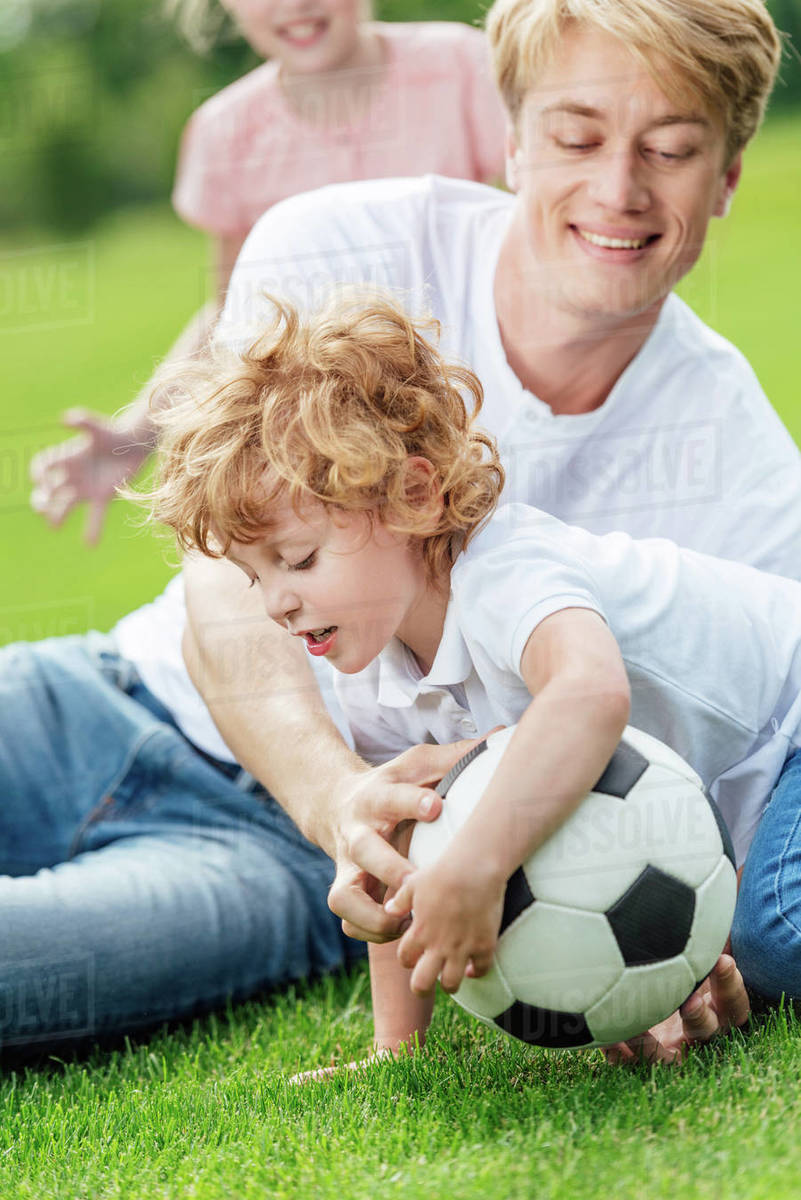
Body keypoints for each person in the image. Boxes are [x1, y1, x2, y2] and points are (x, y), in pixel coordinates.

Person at [8, 0, 789, 1058]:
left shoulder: (726, 458)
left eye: (674, 150)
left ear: (729, 175)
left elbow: (697, 766)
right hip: (121, 694)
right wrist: (342, 801)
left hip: (263, 855)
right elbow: (227, 576)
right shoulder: (340, 243)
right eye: (575, 137)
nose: (618, 189)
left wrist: (663, 945)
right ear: (509, 137)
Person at [145, 288, 801, 1074]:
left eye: (299, 560)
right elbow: (405, 842)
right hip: (755, 794)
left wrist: (478, 865)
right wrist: (400, 1050)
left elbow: (588, 697)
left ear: (413, 496)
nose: (278, 603)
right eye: (254, 579)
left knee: (778, 933)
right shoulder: (380, 661)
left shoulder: (504, 572)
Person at [29, 0, 505, 544]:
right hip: (332, 464)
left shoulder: (462, 66)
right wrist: (137, 435)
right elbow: (233, 315)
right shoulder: (227, 132)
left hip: (472, 427)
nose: (294, 5)